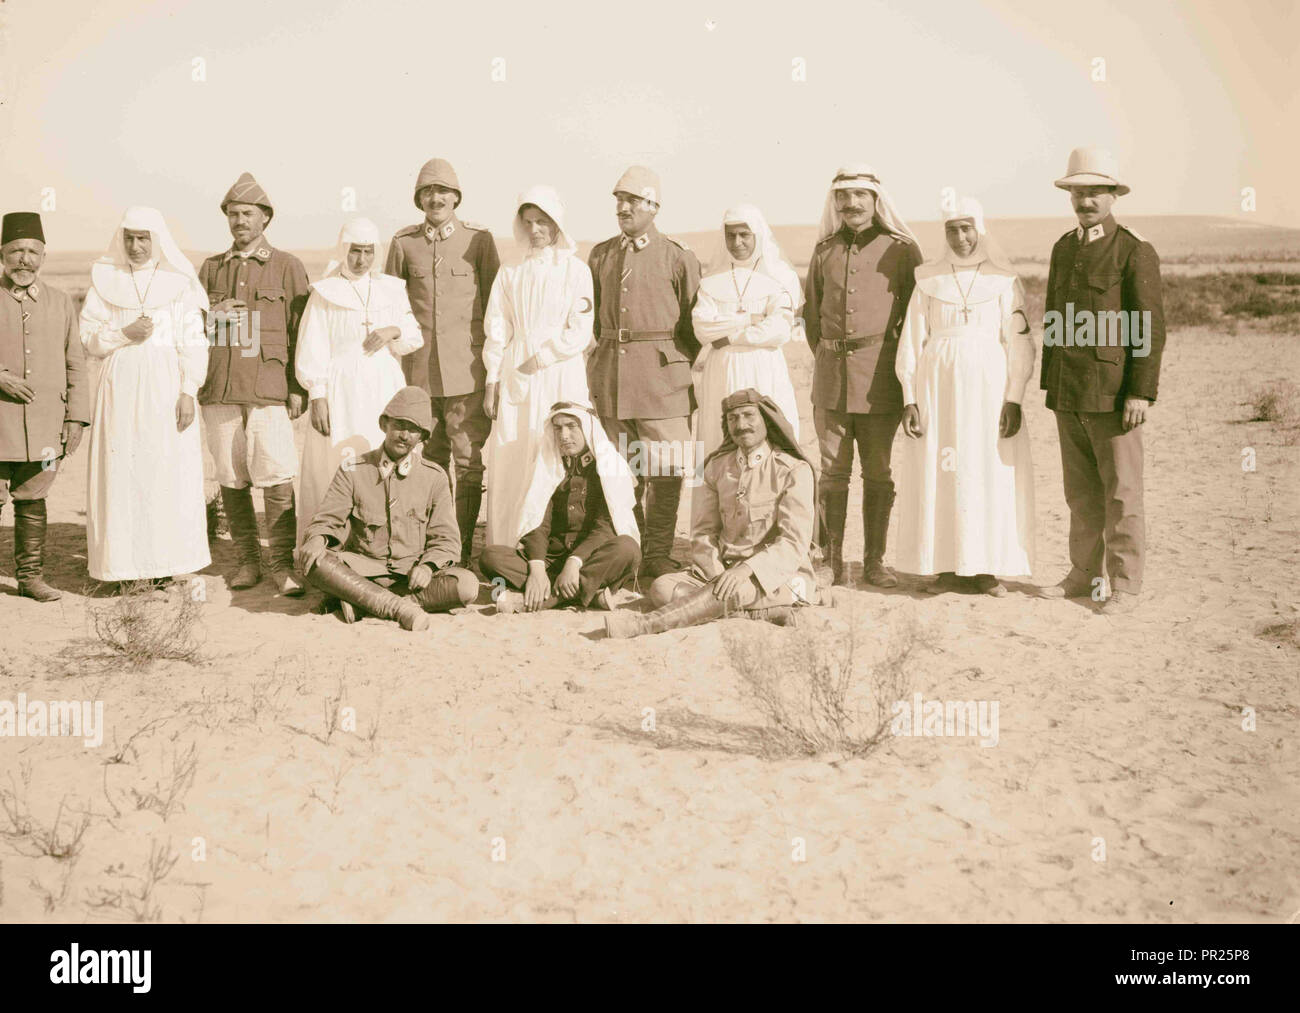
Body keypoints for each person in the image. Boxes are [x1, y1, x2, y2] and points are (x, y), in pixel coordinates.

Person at [1037, 147, 1166, 615]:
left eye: (1095, 192)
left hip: (1112, 394)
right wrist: (1052, 385)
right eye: (1078, 192)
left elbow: (1148, 325)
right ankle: (1084, 574)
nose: (1085, 200)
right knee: (1080, 493)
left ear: (1114, 195)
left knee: (1121, 492)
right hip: (1069, 392)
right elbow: (1055, 317)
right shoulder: (1064, 248)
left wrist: (1140, 391)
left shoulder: (1133, 249)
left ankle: (1125, 585)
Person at [895, 197, 1036, 595]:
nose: (960, 238)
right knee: (943, 470)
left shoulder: (1003, 281)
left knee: (985, 470)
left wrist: (1014, 398)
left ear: (980, 229)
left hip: (989, 392)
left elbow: (1019, 345)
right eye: (952, 230)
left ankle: (985, 569)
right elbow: (911, 340)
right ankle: (945, 567)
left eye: (966, 229)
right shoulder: (928, 279)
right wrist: (909, 397)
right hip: (937, 391)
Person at [606, 389, 817, 638]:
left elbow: (793, 543)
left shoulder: (793, 470)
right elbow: (703, 532)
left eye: (749, 415)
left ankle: (643, 625)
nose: (741, 425)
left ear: (766, 420)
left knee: (731, 592)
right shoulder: (716, 467)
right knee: (661, 588)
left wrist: (745, 570)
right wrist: (716, 574)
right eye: (733, 418)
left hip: (776, 575)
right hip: (723, 572)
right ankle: (760, 612)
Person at [802, 164, 922, 588]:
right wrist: (833, 355)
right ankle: (832, 561)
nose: (850, 203)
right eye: (843, 196)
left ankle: (874, 562)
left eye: (859, 195)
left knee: (878, 472)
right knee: (832, 472)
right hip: (831, 381)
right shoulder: (824, 251)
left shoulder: (901, 251)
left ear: (876, 200)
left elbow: (915, 319)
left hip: (880, 381)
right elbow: (812, 318)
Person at [80, 207, 210, 585]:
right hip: (119, 389)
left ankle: (165, 566)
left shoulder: (178, 282)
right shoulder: (106, 279)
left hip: (166, 389)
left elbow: (193, 341)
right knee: (123, 472)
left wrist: (188, 391)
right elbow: (89, 338)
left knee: (165, 471)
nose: (135, 246)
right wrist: (124, 334)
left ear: (158, 240)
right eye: (129, 238)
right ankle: (125, 570)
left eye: (143, 238)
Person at [198, 172, 311, 595]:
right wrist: (212, 316)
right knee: (231, 476)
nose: (239, 221)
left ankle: (282, 564)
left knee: (277, 474)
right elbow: (191, 327)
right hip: (221, 390)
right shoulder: (211, 268)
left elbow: (301, 331)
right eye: (233, 214)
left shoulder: (286, 266)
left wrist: (297, 387)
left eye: (247, 214)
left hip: (268, 390)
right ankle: (248, 562)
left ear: (265, 218)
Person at [385, 158, 501, 567]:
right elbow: (391, 304)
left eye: (443, 192)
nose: (435, 198)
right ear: (419, 199)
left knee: (468, 462)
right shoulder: (404, 243)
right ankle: (430, 546)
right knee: (427, 461)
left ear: (456, 198)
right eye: (428, 192)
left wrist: (494, 369)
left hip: (466, 372)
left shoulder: (478, 241)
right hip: (418, 373)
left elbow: (496, 306)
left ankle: (461, 548)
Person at [588, 166, 701, 579]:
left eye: (632, 200)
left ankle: (657, 554)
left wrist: (669, 365)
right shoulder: (600, 255)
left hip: (662, 383)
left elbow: (693, 326)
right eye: (619, 200)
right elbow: (595, 319)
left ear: (653, 205)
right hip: (612, 382)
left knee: (667, 469)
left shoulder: (678, 256)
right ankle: (630, 554)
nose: (623, 207)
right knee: (622, 470)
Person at [295, 386, 478, 630]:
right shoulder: (353, 470)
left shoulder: (434, 477)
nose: (405, 435)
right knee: (315, 562)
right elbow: (327, 519)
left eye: (414, 430)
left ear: (422, 437)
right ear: (384, 424)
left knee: (467, 585)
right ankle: (397, 607)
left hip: (410, 576)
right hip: (362, 571)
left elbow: (447, 540)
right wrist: (318, 539)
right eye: (399, 425)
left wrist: (427, 567)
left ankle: (362, 602)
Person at [295, 217, 423, 545]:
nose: (361, 259)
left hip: (383, 387)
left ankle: (381, 542)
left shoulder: (391, 289)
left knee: (380, 456)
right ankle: (330, 544)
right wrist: (317, 395)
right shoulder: (325, 292)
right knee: (338, 461)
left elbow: (413, 337)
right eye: (355, 251)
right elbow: (312, 346)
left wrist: (392, 330)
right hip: (341, 390)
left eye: (368, 251)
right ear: (343, 250)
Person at [481, 186, 593, 545]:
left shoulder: (576, 270)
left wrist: (543, 357)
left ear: (557, 223)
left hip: (560, 370)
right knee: (516, 450)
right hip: (517, 371)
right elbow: (497, 326)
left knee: (559, 448)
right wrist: (493, 378)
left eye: (542, 221)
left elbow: (580, 330)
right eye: (528, 222)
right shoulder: (510, 270)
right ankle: (509, 543)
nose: (535, 230)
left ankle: (559, 543)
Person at [0, 211, 89, 601]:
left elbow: (76, 363)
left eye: (33, 252)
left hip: (46, 425)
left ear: (43, 257)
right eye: (16, 251)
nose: (24, 259)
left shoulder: (60, 301)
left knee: (34, 498)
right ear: (2, 255)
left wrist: (77, 419)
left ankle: (30, 578)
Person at [480, 401, 640, 613]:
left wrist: (574, 562)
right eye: (558, 428)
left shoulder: (610, 466)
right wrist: (537, 567)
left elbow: (605, 528)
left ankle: (549, 599)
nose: (564, 435)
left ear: (588, 428)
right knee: (490, 557)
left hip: (591, 558)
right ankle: (589, 592)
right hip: (551, 559)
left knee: (628, 549)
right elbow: (537, 522)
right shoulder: (547, 465)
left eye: (571, 426)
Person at [690, 204, 801, 461]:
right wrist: (749, 319)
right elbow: (702, 327)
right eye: (731, 235)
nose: (737, 242)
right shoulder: (711, 280)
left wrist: (728, 336)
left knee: (769, 438)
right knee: (719, 439)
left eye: (744, 235)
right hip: (721, 371)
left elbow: (779, 330)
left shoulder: (780, 276)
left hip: (764, 368)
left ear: (757, 235)